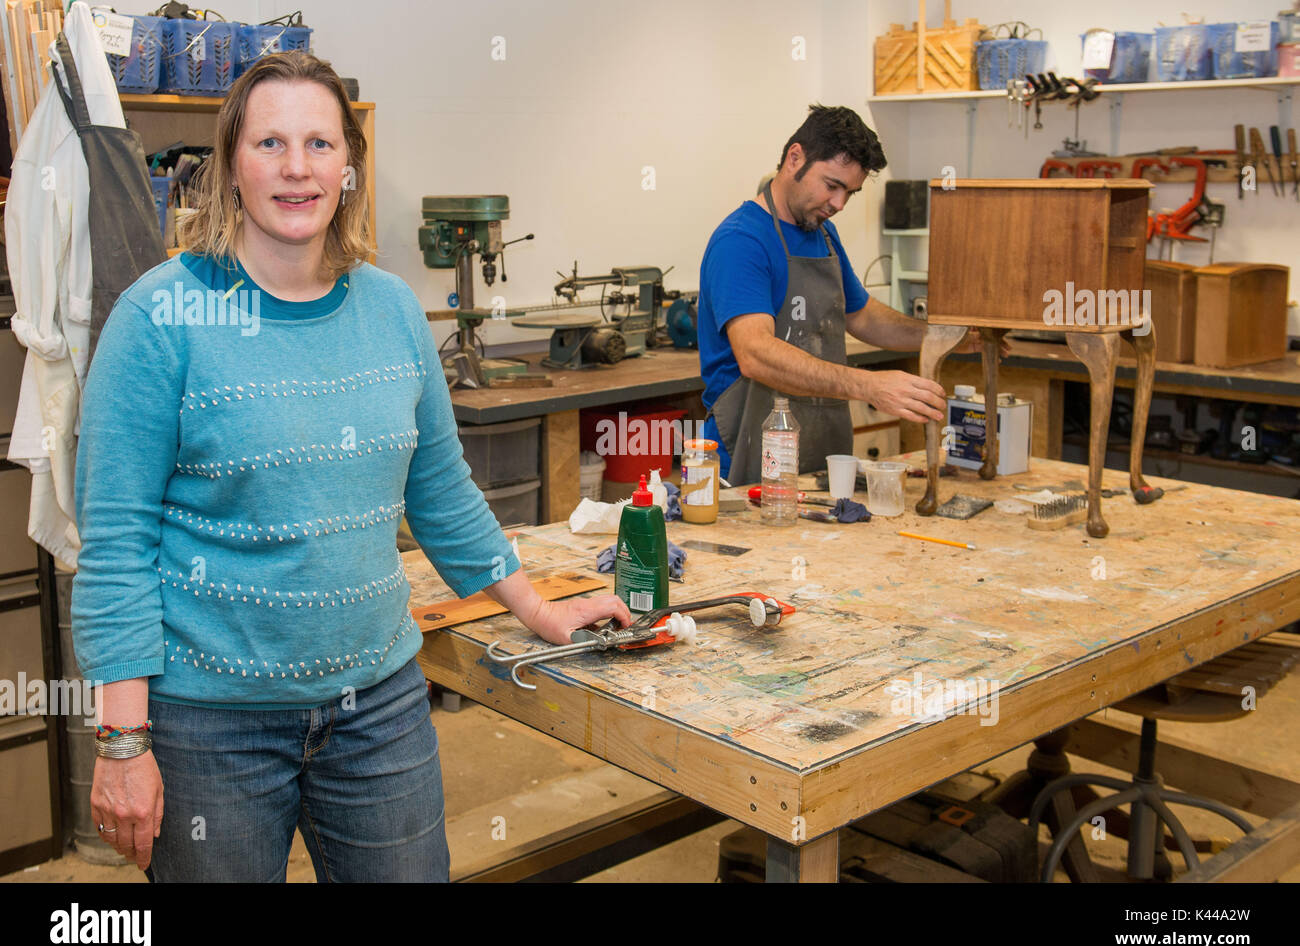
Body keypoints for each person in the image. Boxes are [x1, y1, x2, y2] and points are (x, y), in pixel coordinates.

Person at [72, 50, 629, 883]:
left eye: (319, 144)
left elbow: (441, 492)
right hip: (209, 724)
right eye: (270, 144)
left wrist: (540, 608)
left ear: (350, 168)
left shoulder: (394, 309)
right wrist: (123, 743)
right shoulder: (160, 317)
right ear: (230, 165)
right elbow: (116, 543)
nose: (297, 169)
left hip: (378, 708)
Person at [698, 104, 995, 484]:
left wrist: (946, 336)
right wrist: (867, 384)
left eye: (849, 193)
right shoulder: (742, 240)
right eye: (832, 185)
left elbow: (864, 316)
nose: (838, 204)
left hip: (817, 452)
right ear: (795, 158)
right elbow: (756, 355)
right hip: (747, 462)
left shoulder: (822, 234)